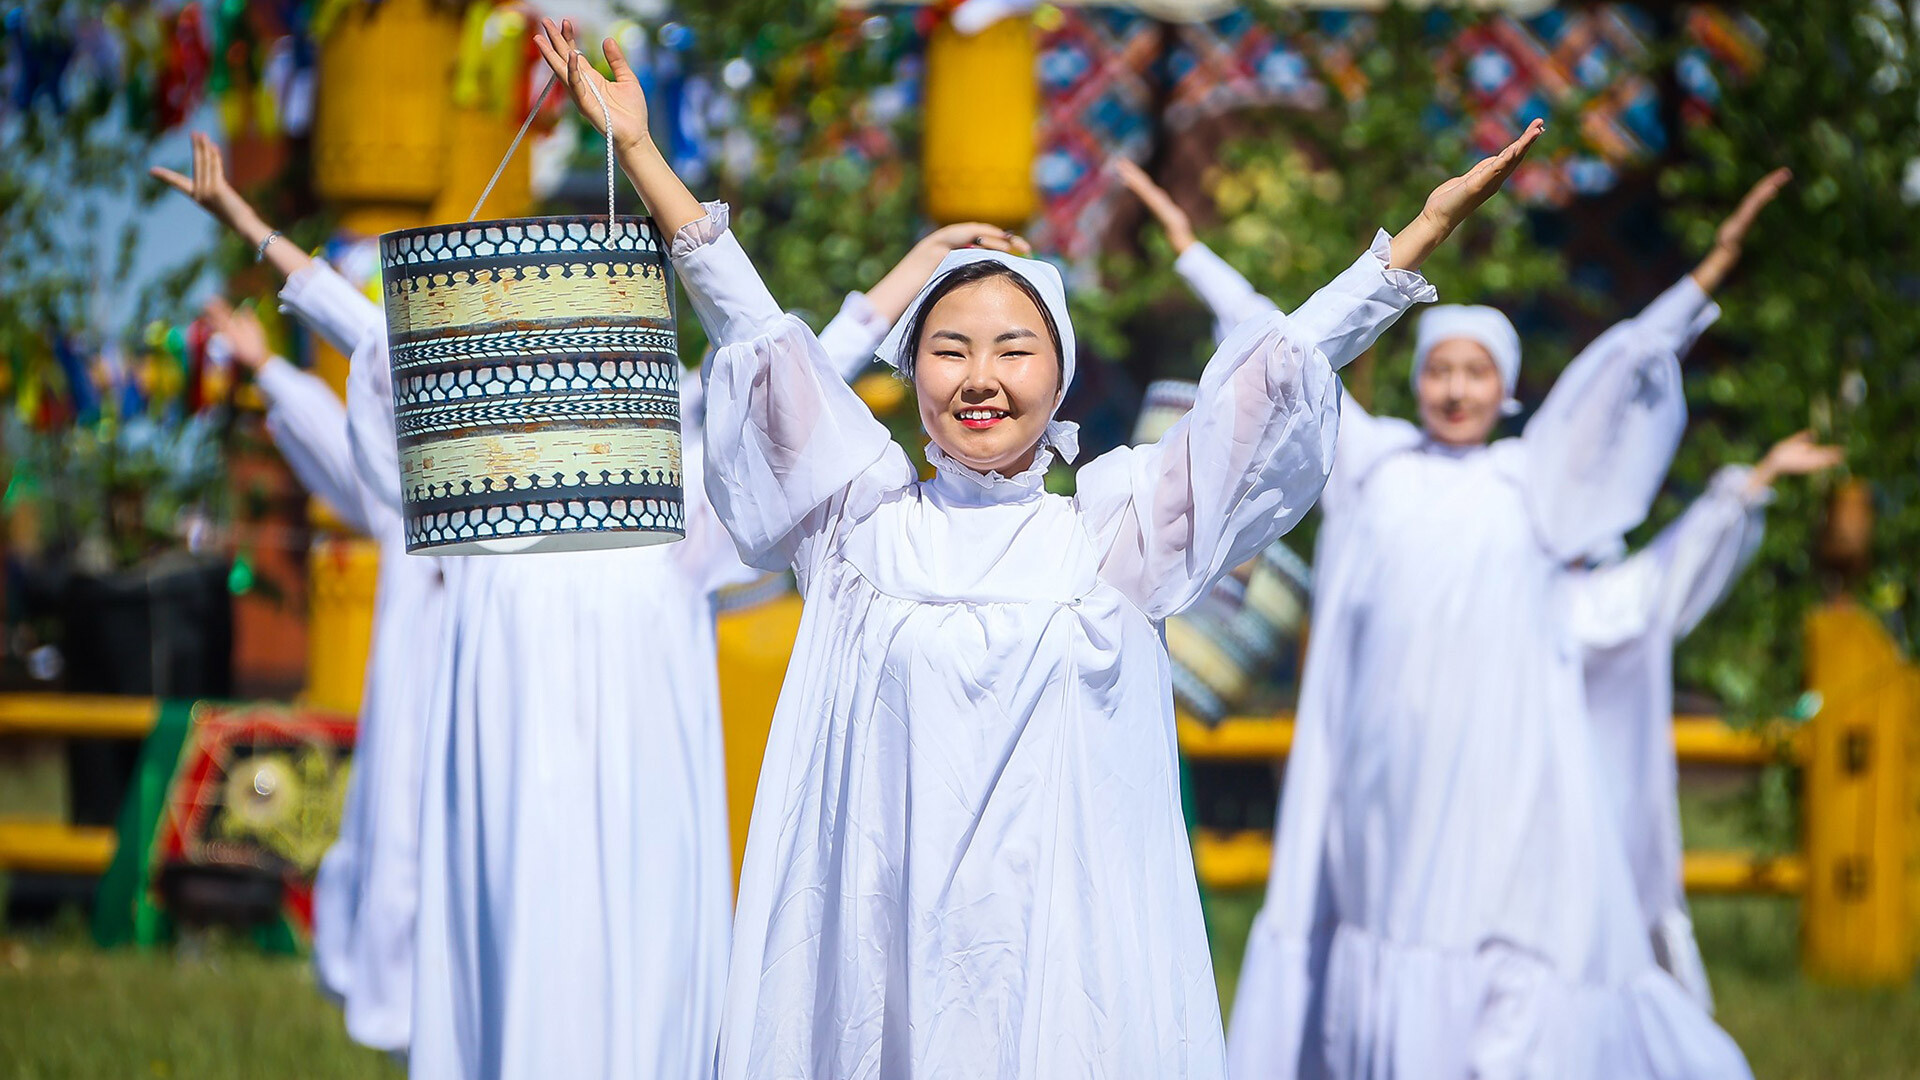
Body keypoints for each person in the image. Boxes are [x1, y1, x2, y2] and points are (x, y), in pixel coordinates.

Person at [535, 18, 1536, 1075]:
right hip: (887, 981)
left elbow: (1266, 384)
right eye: (951, 348)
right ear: (912, 375)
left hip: (1058, 990)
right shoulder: (860, 525)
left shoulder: (1112, 535)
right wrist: (642, 156)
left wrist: (1410, 243)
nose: (981, 378)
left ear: (1055, 381)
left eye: (1014, 349)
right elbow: (759, 336)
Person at [1220, 169, 1791, 1080]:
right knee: (1404, 924)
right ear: (1417, 381)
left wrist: (1707, 277)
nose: (1454, 388)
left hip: (1506, 766)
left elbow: (1625, 366)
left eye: (1475, 371)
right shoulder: (1379, 468)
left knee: (1506, 936)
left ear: (1508, 387)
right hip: (1393, 770)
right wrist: (1192, 254)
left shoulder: (1533, 483)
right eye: (1439, 368)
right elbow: (1283, 358)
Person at [154, 138, 448, 1058]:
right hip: (431, 735)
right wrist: (251, 231)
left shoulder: (624, 472)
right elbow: (367, 341)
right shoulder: (426, 489)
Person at [1569, 431, 1843, 1013]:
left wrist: (1762, 471)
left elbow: (1691, 545)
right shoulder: (1509, 583)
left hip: (1616, 811)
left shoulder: (1627, 592)